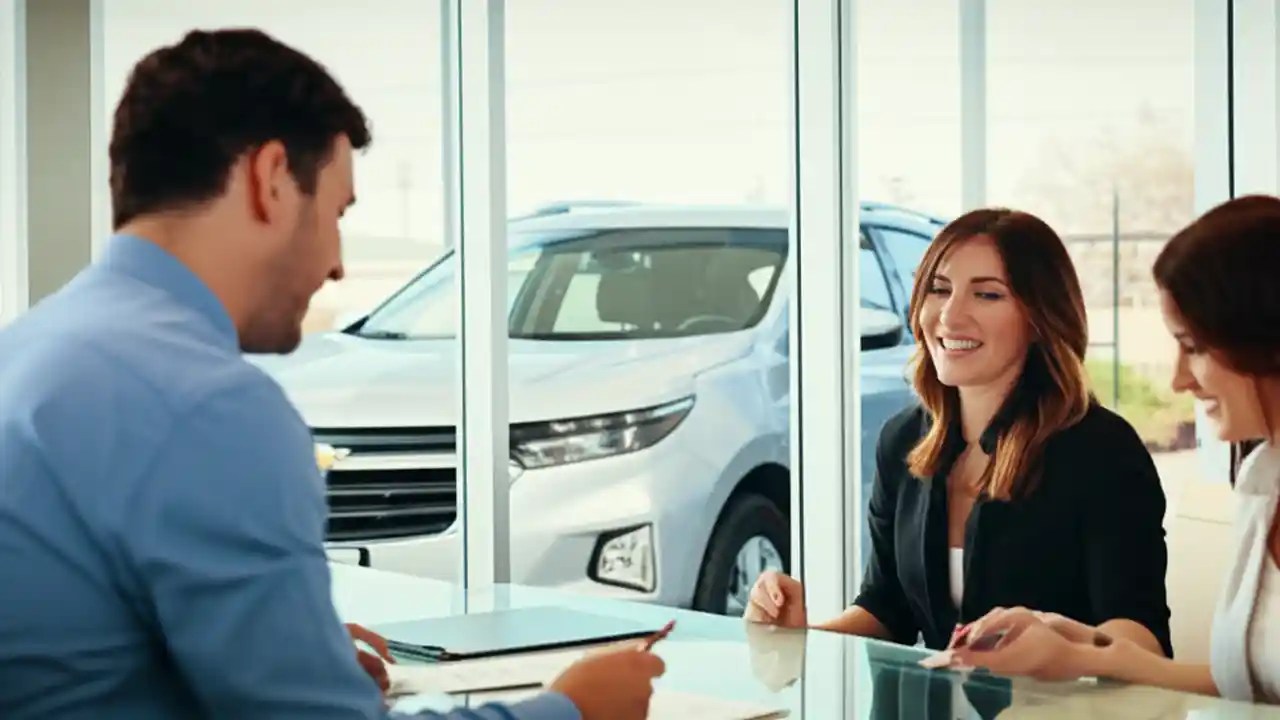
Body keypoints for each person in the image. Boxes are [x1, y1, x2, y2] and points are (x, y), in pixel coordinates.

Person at [0, 29, 663, 720]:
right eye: (336, 213)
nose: (339, 263)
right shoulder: (207, 406)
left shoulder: (27, 352)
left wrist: (291, 653)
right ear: (272, 178)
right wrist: (572, 710)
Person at [745, 208, 1173, 659]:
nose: (950, 316)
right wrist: (802, 636)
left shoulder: (1102, 451)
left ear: (1039, 319)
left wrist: (1064, 645)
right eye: (939, 289)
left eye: (987, 295)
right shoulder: (902, 442)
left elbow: (1141, 638)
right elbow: (886, 609)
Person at [945, 195, 1280, 706]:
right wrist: (1069, 642)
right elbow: (1249, 688)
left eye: (1193, 347)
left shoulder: (1100, 450)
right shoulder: (1263, 481)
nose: (1177, 379)